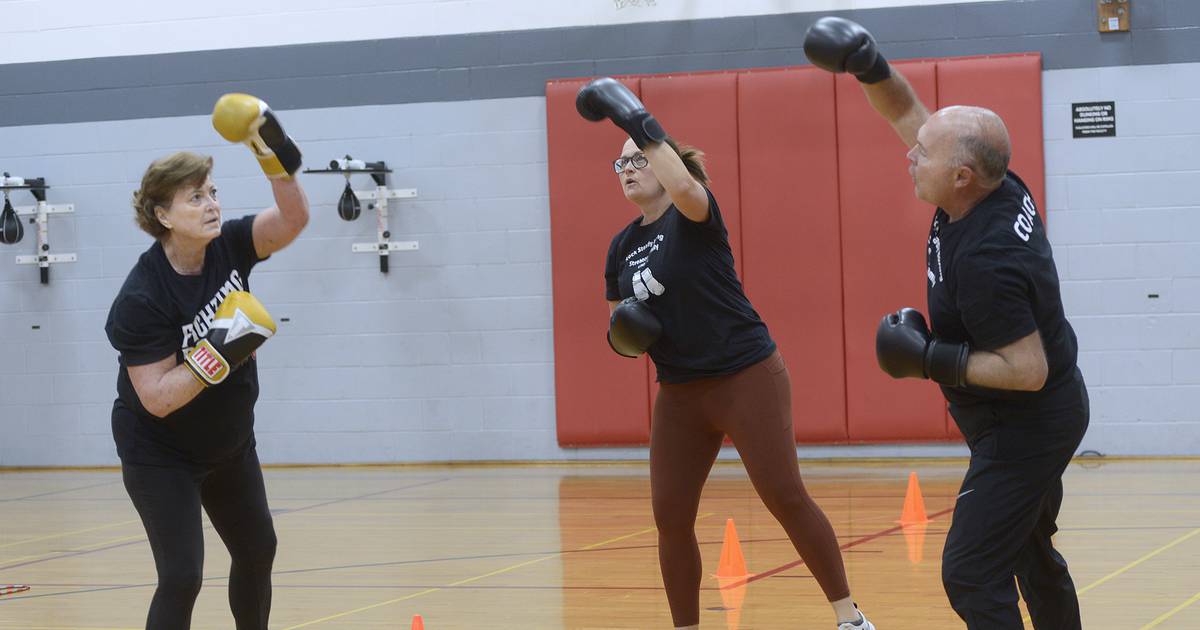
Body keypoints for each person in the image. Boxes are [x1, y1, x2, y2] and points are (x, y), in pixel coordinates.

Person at [803, 17, 1089, 629]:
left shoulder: (988, 260)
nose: (910, 153)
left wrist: (930, 358)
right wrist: (868, 66)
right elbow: (906, 110)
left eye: (924, 154)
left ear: (961, 175)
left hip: (1026, 427)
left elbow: (1027, 369)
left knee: (970, 570)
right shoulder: (987, 182)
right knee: (1030, 554)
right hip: (1043, 412)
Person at [576, 77, 875, 630]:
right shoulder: (621, 246)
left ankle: (849, 617)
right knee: (669, 515)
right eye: (619, 165)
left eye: (637, 158)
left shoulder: (692, 215)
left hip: (745, 375)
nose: (628, 169)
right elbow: (618, 329)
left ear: (663, 162)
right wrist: (626, 332)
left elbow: (687, 192)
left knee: (784, 495)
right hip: (681, 390)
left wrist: (633, 119)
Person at [104, 93, 309, 630]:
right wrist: (219, 349)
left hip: (229, 443)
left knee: (258, 548)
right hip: (160, 453)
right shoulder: (142, 298)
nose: (212, 204)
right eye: (195, 198)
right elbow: (157, 398)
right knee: (181, 576)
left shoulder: (231, 245)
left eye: (212, 192)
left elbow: (294, 218)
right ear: (162, 215)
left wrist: (272, 152)